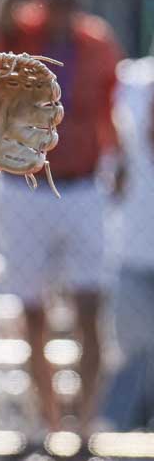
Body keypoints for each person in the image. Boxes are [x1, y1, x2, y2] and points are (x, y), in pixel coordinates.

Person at [0, 0, 123, 446]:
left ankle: (84, 428)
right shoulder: (22, 32)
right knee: (33, 313)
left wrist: (117, 159)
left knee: (90, 308)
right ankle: (44, 424)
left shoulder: (96, 42)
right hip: (24, 188)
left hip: (81, 186)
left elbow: (107, 110)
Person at [98, 53, 154, 430]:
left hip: (132, 243)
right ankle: (121, 434)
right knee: (131, 350)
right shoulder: (129, 83)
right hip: (133, 244)